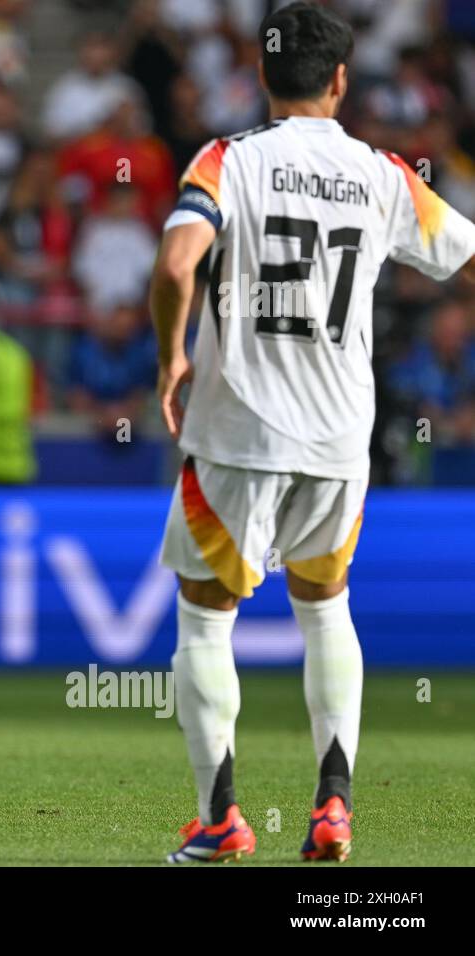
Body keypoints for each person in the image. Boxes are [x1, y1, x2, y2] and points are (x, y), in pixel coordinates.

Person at [150, 1, 475, 864]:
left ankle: (219, 818)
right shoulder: (381, 173)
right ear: (340, 80)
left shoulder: (227, 160)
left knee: (205, 619)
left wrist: (170, 358)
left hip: (236, 434)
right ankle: (333, 804)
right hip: (341, 437)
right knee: (326, 607)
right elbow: (468, 256)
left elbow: (178, 262)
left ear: (262, 76)